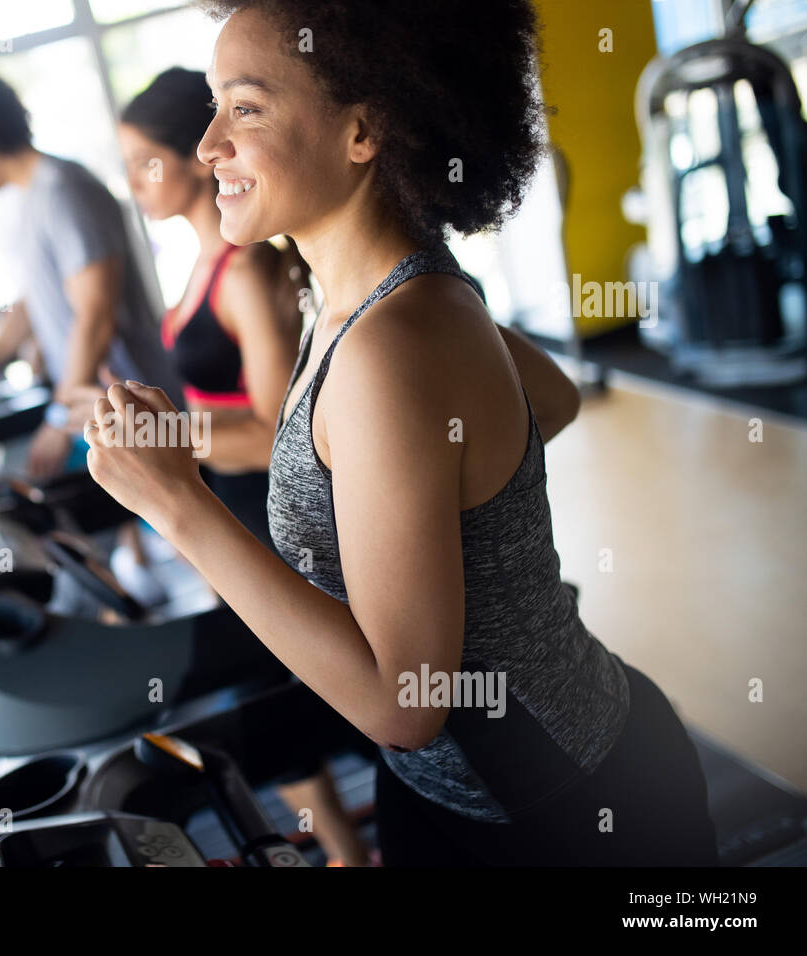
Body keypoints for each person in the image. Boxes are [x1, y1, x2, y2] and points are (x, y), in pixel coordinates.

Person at [83, 0, 719, 866]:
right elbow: (556, 400)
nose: (207, 148)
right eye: (212, 106)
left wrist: (176, 504)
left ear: (363, 130)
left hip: (558, 810)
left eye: (247, 107)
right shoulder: (369, 293)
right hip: (460, 787)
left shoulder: (389, 344)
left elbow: (403, 699)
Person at [116, 67, 373, 866]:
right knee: (270, 686)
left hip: (265, 506)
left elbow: (271, 427)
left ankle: (350, 846)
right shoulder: (204, 260)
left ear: (197, 160)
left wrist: (165, 439)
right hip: (224, 502)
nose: (134, 184)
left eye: (143, 163)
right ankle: (337, 848)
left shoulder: (248, 270)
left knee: (288, 690)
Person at [0, 73, 182, 480]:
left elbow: (95, 314)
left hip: (137, 407)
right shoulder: (33, 196)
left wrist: (58, 418)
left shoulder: (64, 191)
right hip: (101, 405)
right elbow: (28, 306)